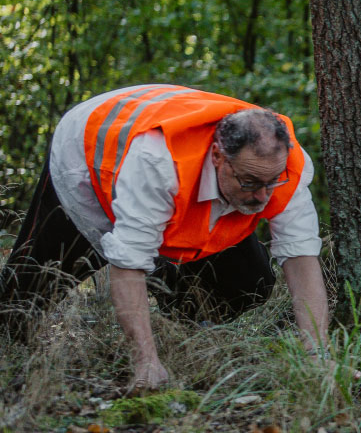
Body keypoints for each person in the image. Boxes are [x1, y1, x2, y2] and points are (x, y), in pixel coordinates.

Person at [1, 85, 331, 392]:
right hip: (85, 164)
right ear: (218, 156)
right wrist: (146, 363)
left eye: (270, 182)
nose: (261, 196)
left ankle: (173, 321)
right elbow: (127, 263)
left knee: (249, 282)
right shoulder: (158, 162)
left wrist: (318, 357)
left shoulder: (283, 163)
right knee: (22, 299)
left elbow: (301, 258)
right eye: (249, 182)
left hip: (173, 185)